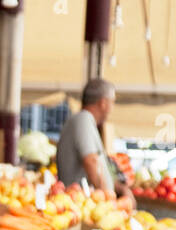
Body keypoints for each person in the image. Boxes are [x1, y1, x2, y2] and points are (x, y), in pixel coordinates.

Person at [55, 78, 134, 206]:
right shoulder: (83, 120)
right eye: (112, 102)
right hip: (80, 205)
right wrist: (107, 203)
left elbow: (98, 166)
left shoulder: (86, 122)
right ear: (103, 103)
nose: (112, 108)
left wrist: (119, 188)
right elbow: (91, 161)